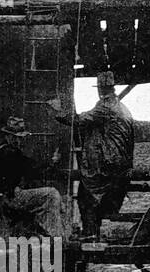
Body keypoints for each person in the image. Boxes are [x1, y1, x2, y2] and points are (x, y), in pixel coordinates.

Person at [47, 77, 135, 237]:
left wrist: (58, 111)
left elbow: (78, 120)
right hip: (121, 167)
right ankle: (93, 234)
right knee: (96, 202)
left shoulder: (105, 107)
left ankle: (90, 236)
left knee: (85, 197)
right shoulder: (123, 107)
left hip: (107, 167)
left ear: (100, 89)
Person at [0, 116, 64, 237]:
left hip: (4, 197)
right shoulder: (10, 152)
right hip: (11, 198)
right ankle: (56, 236)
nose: (19, 141)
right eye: (16, 138)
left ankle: (47, 233)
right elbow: (31, 168)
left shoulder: (1, 150)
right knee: (52, 194)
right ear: (8, 136)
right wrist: (52, 161)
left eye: (20, 138)